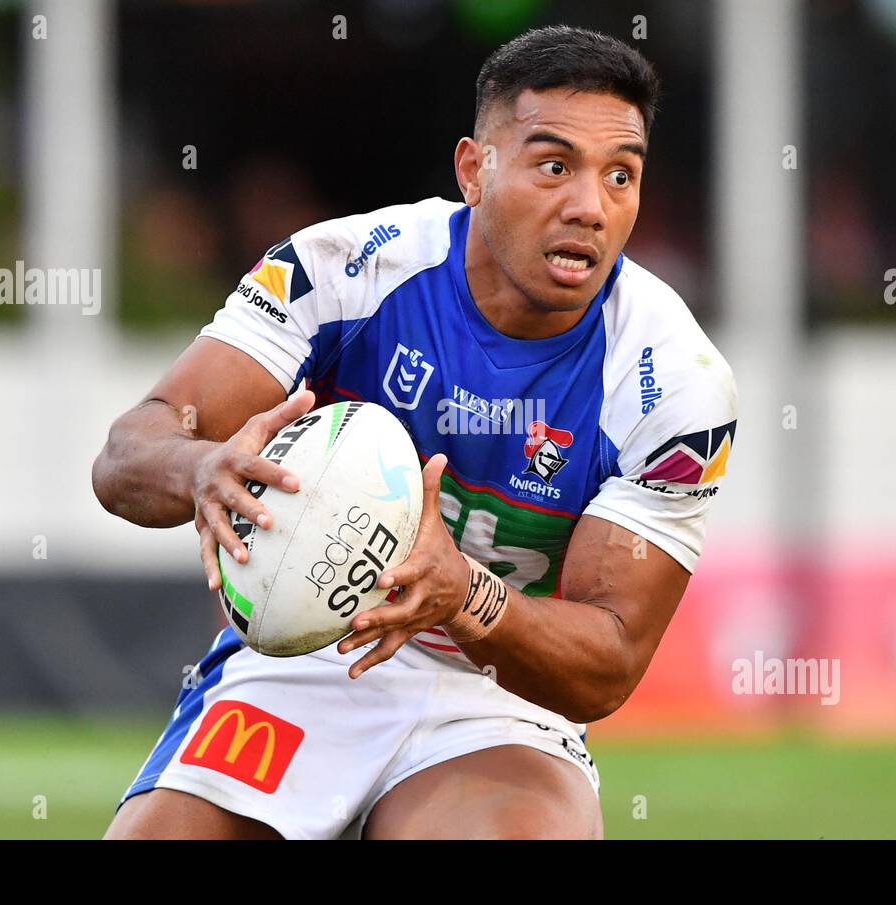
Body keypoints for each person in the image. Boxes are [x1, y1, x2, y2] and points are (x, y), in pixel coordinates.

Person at [93, 24, 737, 840]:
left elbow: (609, 661)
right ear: (474, 168)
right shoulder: (341, 268)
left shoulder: (675, 383)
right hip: (305, 657)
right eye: (553, 165)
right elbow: (126, 453)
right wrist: (200, 470)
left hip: (494, 689)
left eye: (622, 175)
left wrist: (465, 593)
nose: (590, 205)